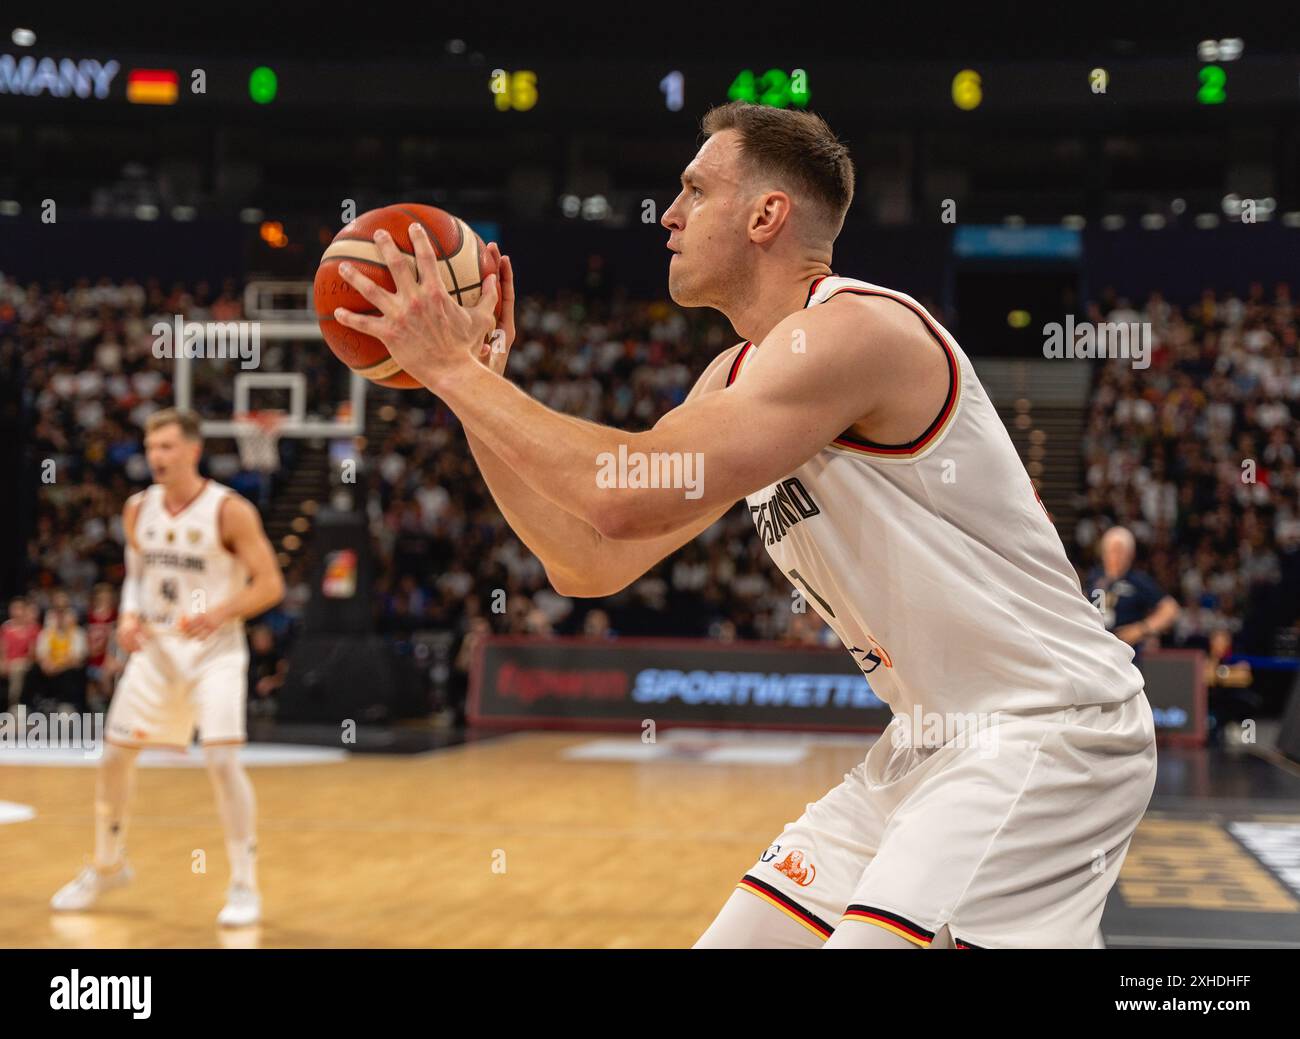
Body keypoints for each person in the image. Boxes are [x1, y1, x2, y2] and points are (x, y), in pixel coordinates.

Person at [334, 101, 1157, 949]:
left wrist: (451, 372)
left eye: (695, 188)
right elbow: (588, 558)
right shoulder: (735, 377)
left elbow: (624, 491)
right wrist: (467, 382)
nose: (669, 212)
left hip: (1046, 728)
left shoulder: (856, 330)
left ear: (768, 215)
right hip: (927, 742)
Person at [50, 408, 285, 927]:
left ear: (193, 451)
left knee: (222, 763)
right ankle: (108, 865)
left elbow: (270, 585)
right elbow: (136, 574)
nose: (156, 456)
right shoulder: (137, 509)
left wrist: (220, 613)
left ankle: (244, 883)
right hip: (155, 652)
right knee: (113, 758)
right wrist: (128, 617)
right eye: (151, 447)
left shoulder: (230, 511)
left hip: (214, 652)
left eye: (167, 447)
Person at [1086, 525, 1181, 662]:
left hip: (1126, 656)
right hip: (1096, 653)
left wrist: (1142, 629)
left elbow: (1170, 609)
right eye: (1112, 550)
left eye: (1121, 551)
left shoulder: (1138, 580)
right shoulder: (1094, 578)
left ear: (1130, 554)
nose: (1116, 556)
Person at [32, 605, 88, 712]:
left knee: (72, 673)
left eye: (64, 616)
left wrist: (58, 666)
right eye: (57, 617)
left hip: (68, 668)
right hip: (50, 667)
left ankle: (67, 705)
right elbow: (41, 654)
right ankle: (30, 704)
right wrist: (46, 664)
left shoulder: (78, 633)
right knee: (33, 669)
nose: (60, 620)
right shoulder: (46, 633)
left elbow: (78, 658)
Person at [3, 597, 41, 708]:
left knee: (16, 668)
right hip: (7, 662)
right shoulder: (6, 627)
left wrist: (25, 661)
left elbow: (32, 653)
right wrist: (4, 662)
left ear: (25, 610)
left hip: (24, 662)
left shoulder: (32, 628)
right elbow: (3, 647)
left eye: (19, 608)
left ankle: (14, 704)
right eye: (14, 608)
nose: (16, 611)